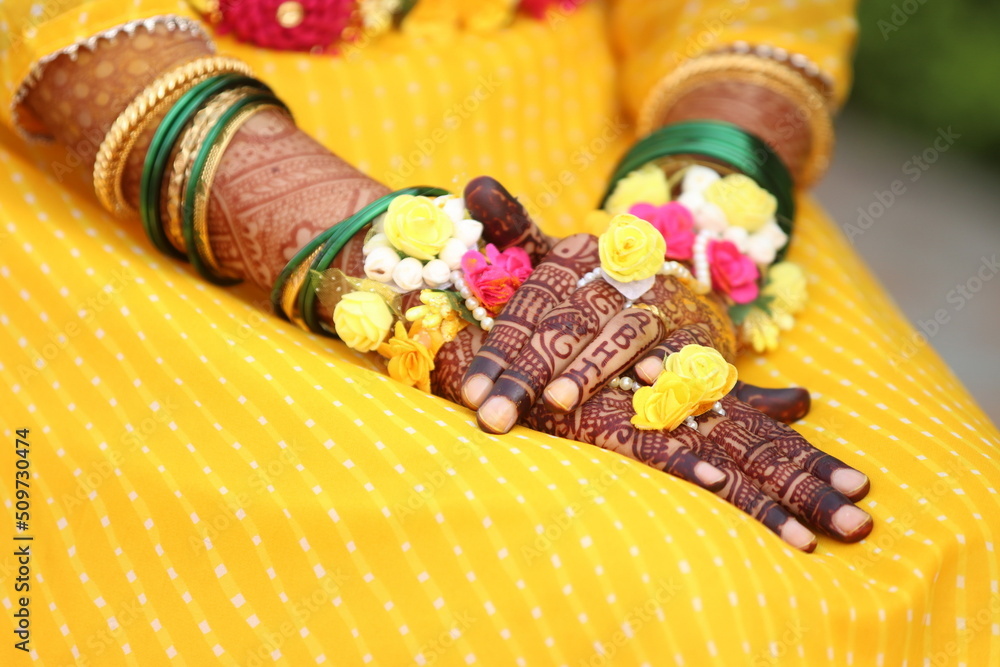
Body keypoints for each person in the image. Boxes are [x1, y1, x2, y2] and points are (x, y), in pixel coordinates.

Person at [0, 1, 997, 664]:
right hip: (159, 129)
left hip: (594, 110)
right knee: (655, 585)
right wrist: (435, 288)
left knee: (960, 524)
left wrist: (685, 240)